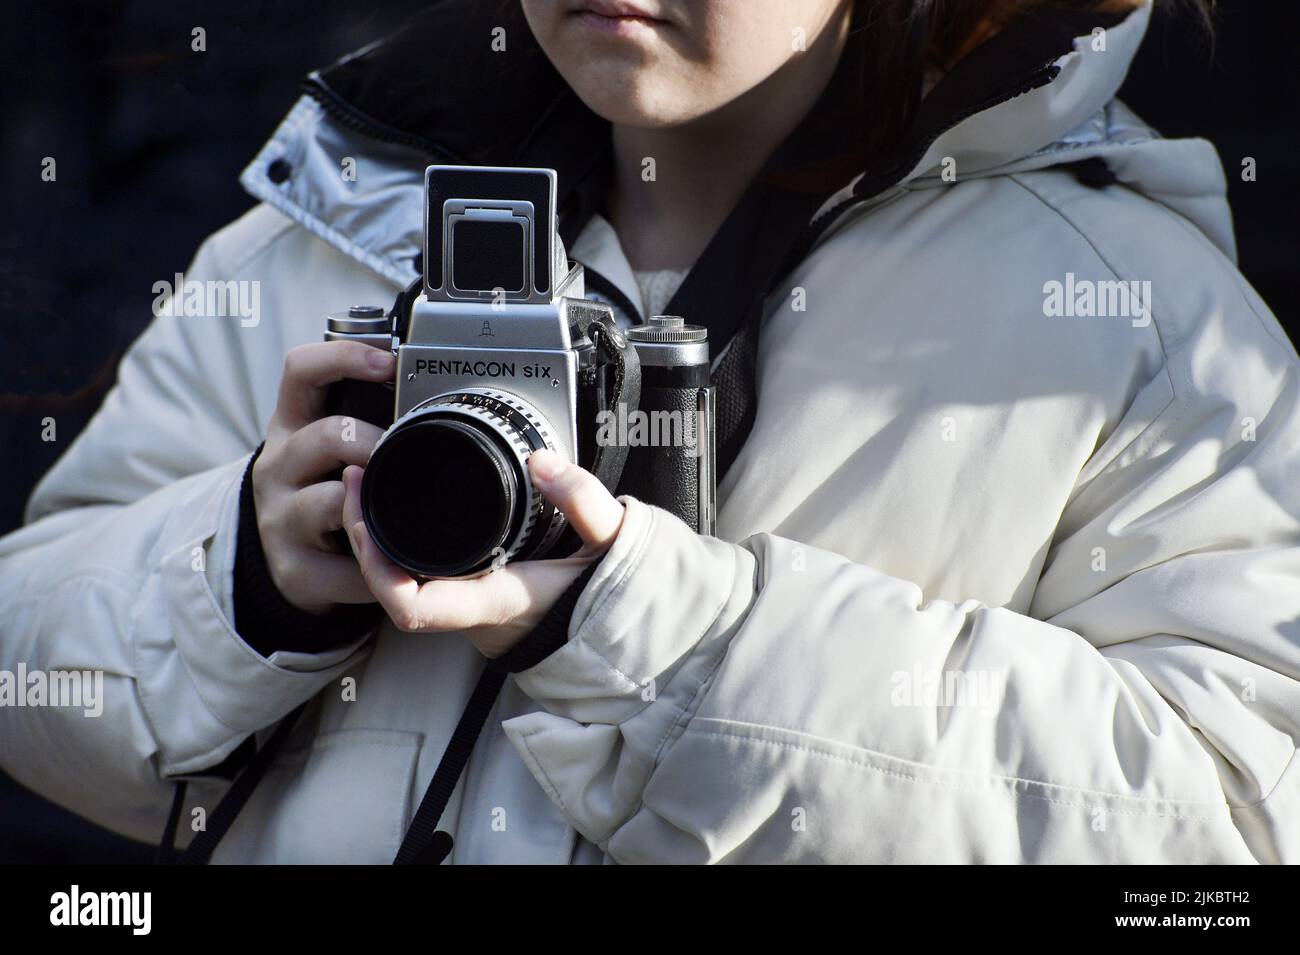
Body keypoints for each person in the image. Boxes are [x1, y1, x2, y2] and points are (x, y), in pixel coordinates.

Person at [2, 0, 1296, 864]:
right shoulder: (314, 234)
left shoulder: (1131, 308)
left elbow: (1235, 826)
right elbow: (26, 671)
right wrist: (238, 578)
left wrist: (653, 641)